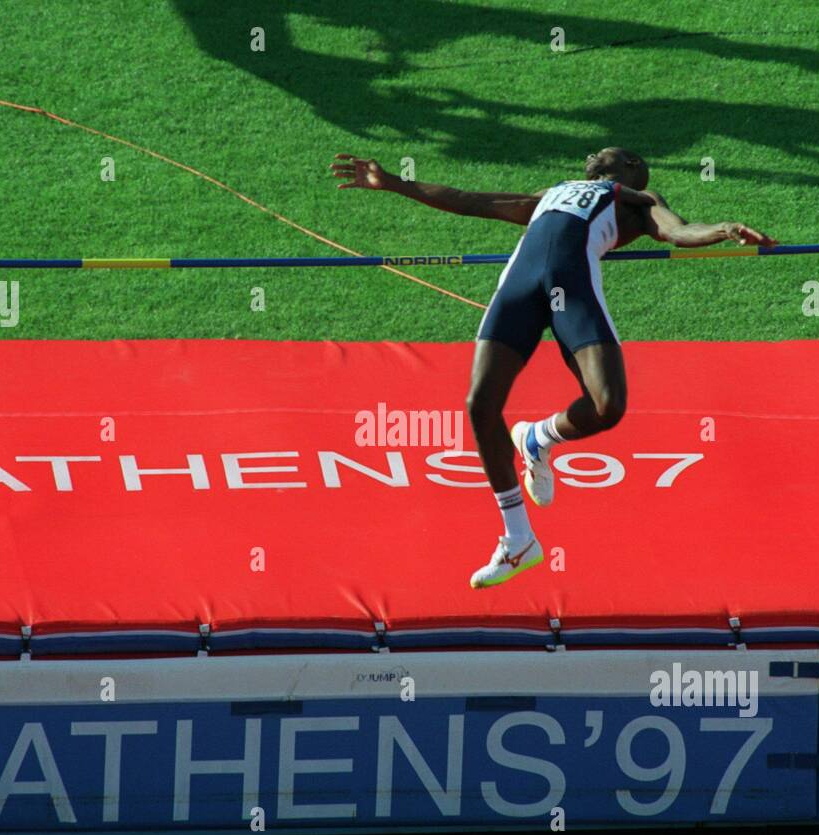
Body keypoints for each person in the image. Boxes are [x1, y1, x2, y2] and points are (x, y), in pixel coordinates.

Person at [331, 147, 776, 588]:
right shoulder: (554, 191)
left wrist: (725, 228)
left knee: (608, 404)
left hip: (573, 291)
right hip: (520, 289)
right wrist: (393, 183)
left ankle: (538, 436)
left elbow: (679, 232)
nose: (593, 153)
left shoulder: (639, 200)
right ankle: (518, 539)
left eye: (606, 151)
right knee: (479, 403)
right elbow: (472, 200)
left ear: (632, 166)